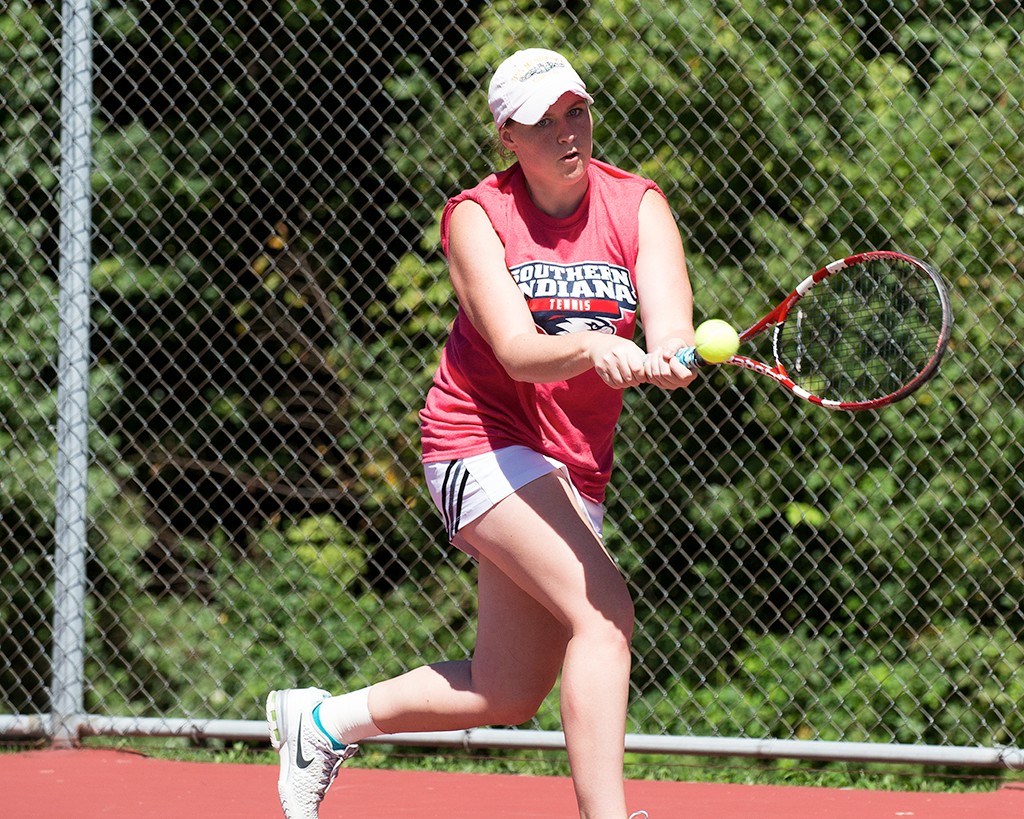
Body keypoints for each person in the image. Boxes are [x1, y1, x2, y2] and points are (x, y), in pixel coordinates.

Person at [266, 47, 695, 819]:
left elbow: (672, 333)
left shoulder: (638, 207)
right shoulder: (477, 216)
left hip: (572, 466)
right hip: (478, 439)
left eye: (577, 112)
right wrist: (593, 346)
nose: (568, 133)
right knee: (605, 616)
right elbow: (519, 352)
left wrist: (668, 358)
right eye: (543, 121)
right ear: (508, 136)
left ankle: (322, 722)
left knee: (508, 687)